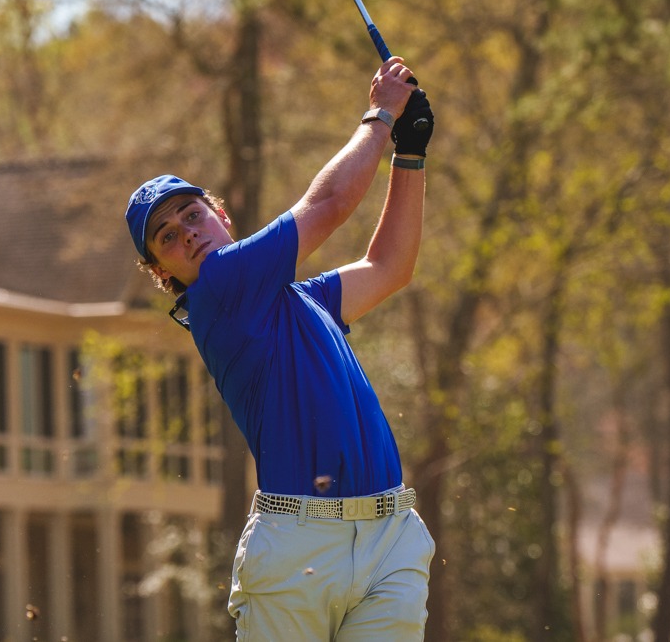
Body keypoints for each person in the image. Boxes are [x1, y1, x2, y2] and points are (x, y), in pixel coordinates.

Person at [124, 56, 436, 640]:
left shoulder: (303, 300)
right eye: (168, 237)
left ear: (221, 215)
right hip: (300, 550)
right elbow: (329, 206)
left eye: (193, 215)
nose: (187, 232)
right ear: (162, 271)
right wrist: (381, 114)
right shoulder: (217, 292)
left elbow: (389, 267)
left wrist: (409, 155)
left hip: (388, 538)